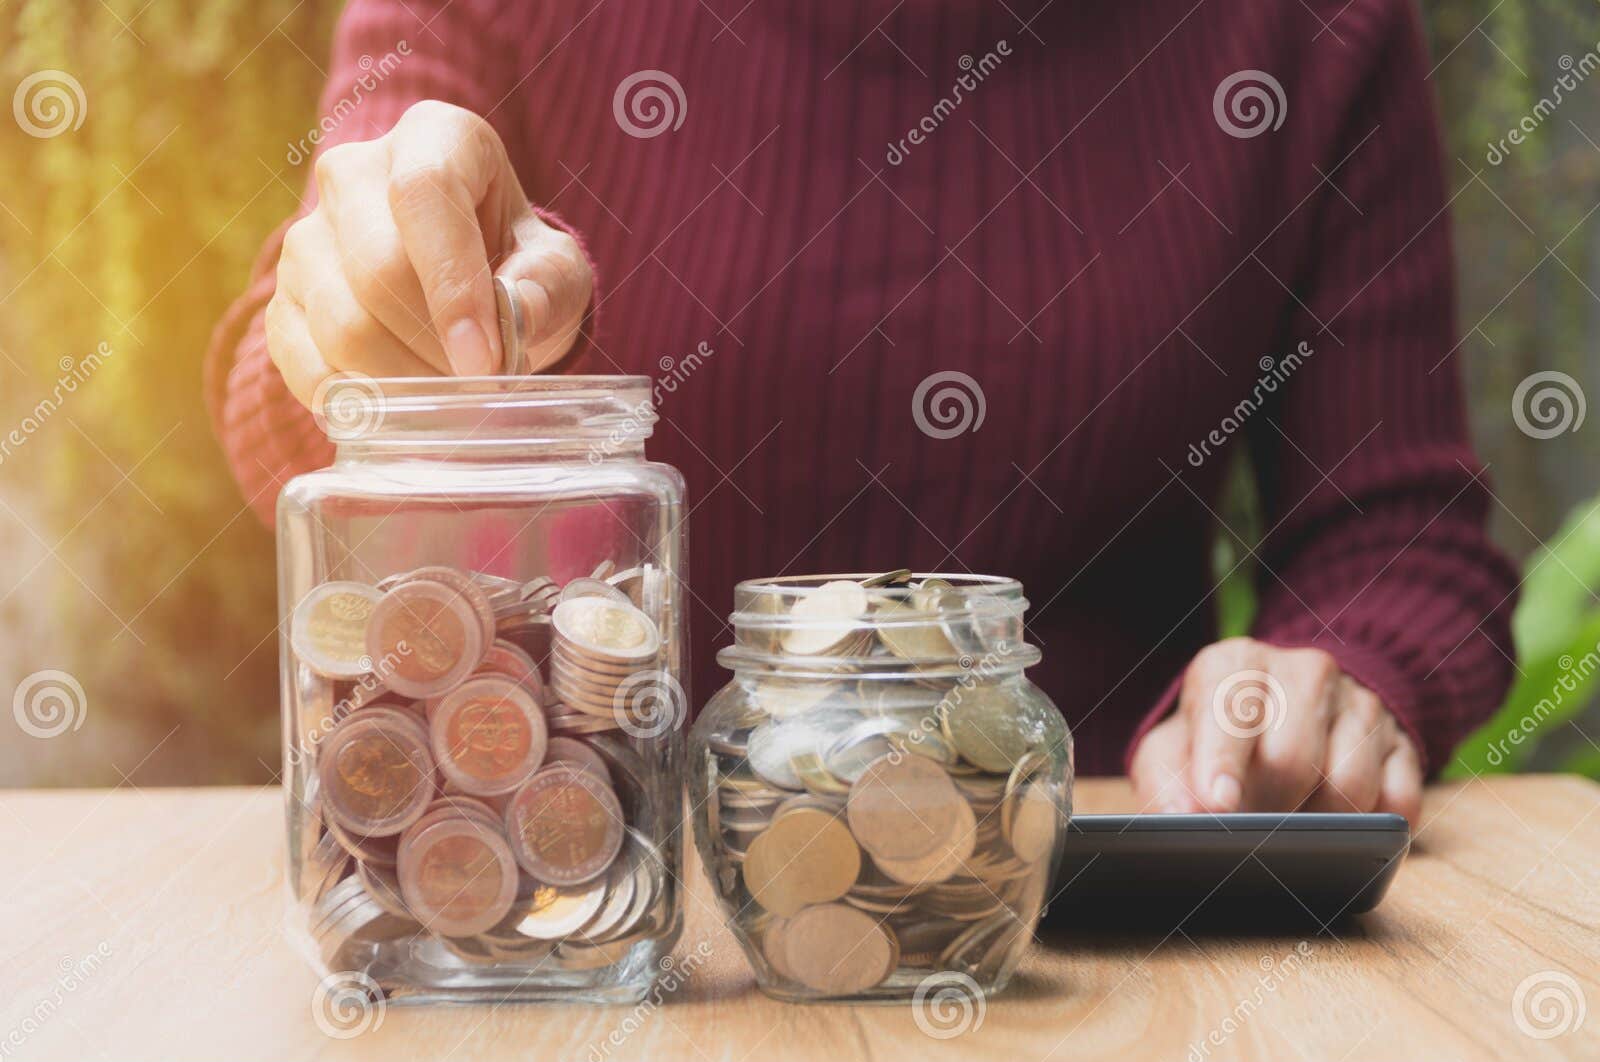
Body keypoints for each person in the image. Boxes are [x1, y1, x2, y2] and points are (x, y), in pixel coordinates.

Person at [206, 0, 1519, 826]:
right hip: (569, 869)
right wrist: (360, 332)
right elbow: (315, 340)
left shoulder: (1316, 27)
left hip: (1082, 914)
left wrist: (1338, 675)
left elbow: (1394, 535)